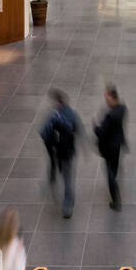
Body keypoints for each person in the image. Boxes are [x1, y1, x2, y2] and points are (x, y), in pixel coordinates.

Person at [40, 89, 80, 219]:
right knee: (67, 178)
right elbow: (79, 130)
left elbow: (44, 132)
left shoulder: (54, 116)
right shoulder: (71, 114)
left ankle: (53, 184)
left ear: (57, 102)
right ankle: (68, 204)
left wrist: (51, 143)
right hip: (68, 152)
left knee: (57, 170)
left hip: (58, 152)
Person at [94, 84, 128, 211]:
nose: (105, 99)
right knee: (114, 166)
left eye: (106, 97)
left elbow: (101, 132)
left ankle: (116, 201)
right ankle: (114, 175)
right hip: (118, 144)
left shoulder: (110, 115)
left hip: (109, 147)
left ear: (112, 97)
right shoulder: (122, 108)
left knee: (110, 175)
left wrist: (95, 127)